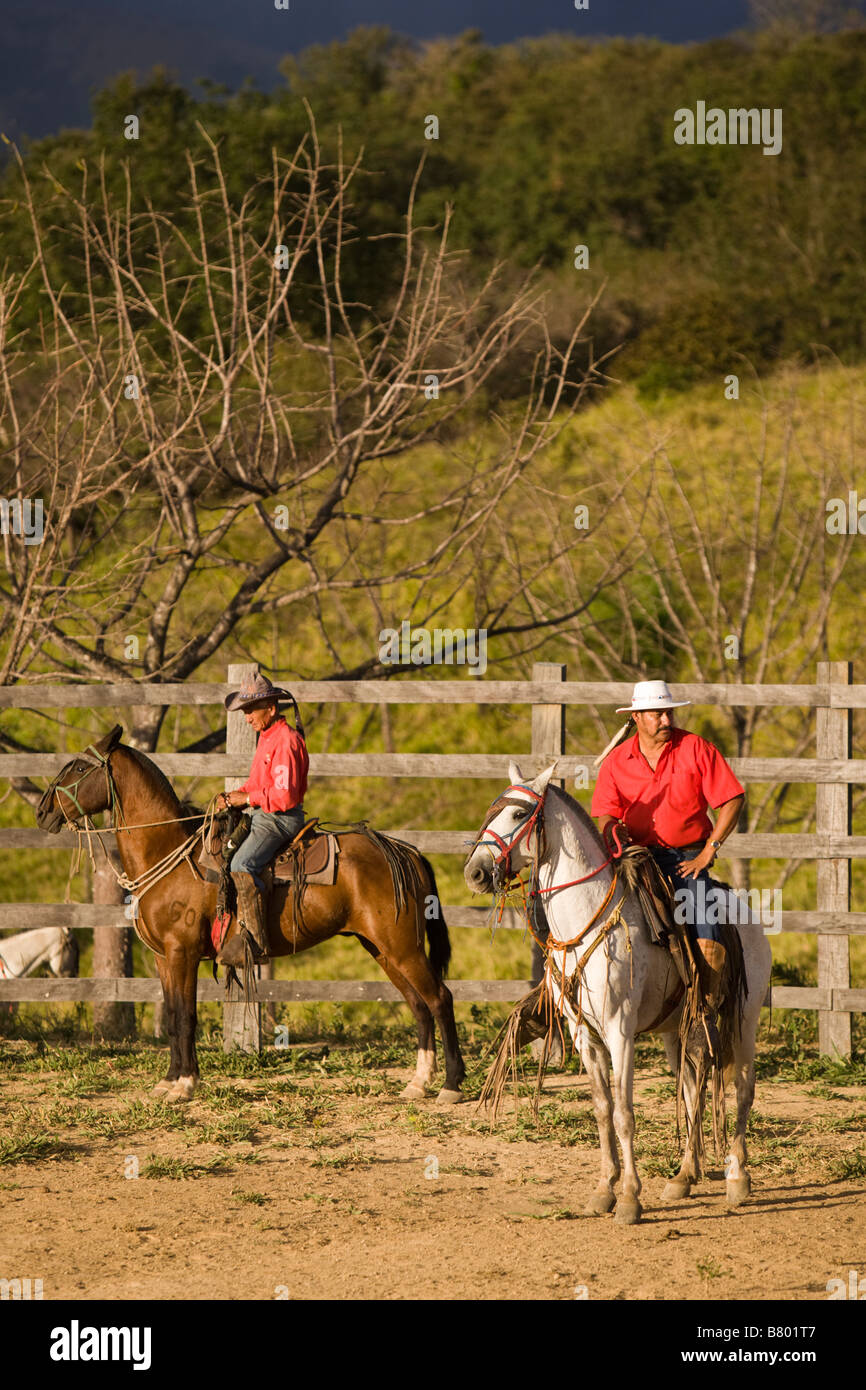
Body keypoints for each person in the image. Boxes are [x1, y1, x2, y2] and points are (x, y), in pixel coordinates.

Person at [590, 679, 745, 1054]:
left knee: (705, 923)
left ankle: (703, 1013)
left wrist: (710, 850)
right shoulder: (617, 761)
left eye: (668, 711)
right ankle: (576, 1003)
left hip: (686, 858)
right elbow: (605, 814)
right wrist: (615, 835)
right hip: (636, 858)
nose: (665, 718)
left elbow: (732, 798)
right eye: (657, 712)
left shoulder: (695, 748)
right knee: (590, 911)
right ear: (637, 718)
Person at [217, 672, 309, 968]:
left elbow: (283, 797)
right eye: (244, 712)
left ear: (270, 708)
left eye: (250, 710)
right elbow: (257, 785)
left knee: (241, 864)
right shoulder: (267, 739)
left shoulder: (285, 741)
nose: (246, 718)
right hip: (265, 813)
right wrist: (235, 795)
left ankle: (254, 942)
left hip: (280, 819)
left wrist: (246, 799)